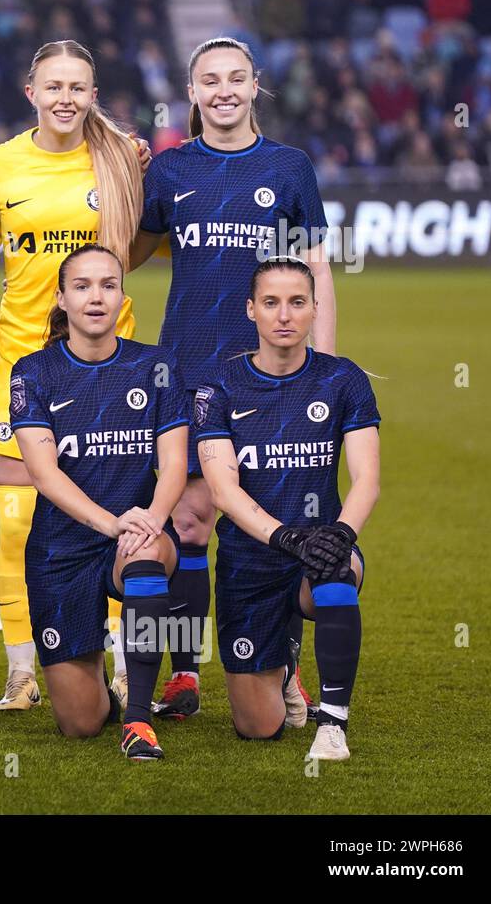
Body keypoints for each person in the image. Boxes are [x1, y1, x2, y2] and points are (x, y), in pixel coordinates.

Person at [130, 36, 337, 726]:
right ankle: (184, 671)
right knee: (189, 521)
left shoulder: (289, 167)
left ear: (256, 86)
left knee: (276, 526)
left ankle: (287, 669)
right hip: (187, 370)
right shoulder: (168, 170)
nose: (223, 90)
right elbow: (124, 252)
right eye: (209, 80)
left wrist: (321, 376)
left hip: (273, 375)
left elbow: (316, 272)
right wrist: (116, 172)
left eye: (236, 78)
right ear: (191, 93)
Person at [0, 40, 146, 711]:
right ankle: (21, 671)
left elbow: (142, 243)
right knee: (15, 522)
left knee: (118, 517)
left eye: (78, 87)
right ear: (31, 92)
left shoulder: (122, 158)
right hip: (21, 361)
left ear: (92, 94)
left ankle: (124, 662)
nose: (66, 98)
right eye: (54, 86)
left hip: (111, 364)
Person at [194, 257, 379, 761]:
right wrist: (285, 537)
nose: (284, 315)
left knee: (337, 571)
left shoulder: (343, 379)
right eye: (271, 302)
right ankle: (286, 664)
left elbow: (367, 479)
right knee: (259, 727)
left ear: (315, 309)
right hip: (250, 558)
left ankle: (333, 722)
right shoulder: (219, 385)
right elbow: (222, 491)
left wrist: (340, 533)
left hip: (319, 549)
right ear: (251, 310)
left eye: (297, 302)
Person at [11, 245, 188, 760]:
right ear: (61, 298)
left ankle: (139, 720)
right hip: (61, 549)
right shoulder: (33, 372)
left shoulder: (156, 365)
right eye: (83, 286)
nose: (96, 297)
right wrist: (113, 524)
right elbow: (45, 476)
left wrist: (151, 521)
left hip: (137, 536)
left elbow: (174, 464)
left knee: (147, 557)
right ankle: (105, 696)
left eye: (108, 285)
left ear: (122, 296)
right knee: (80, 722)